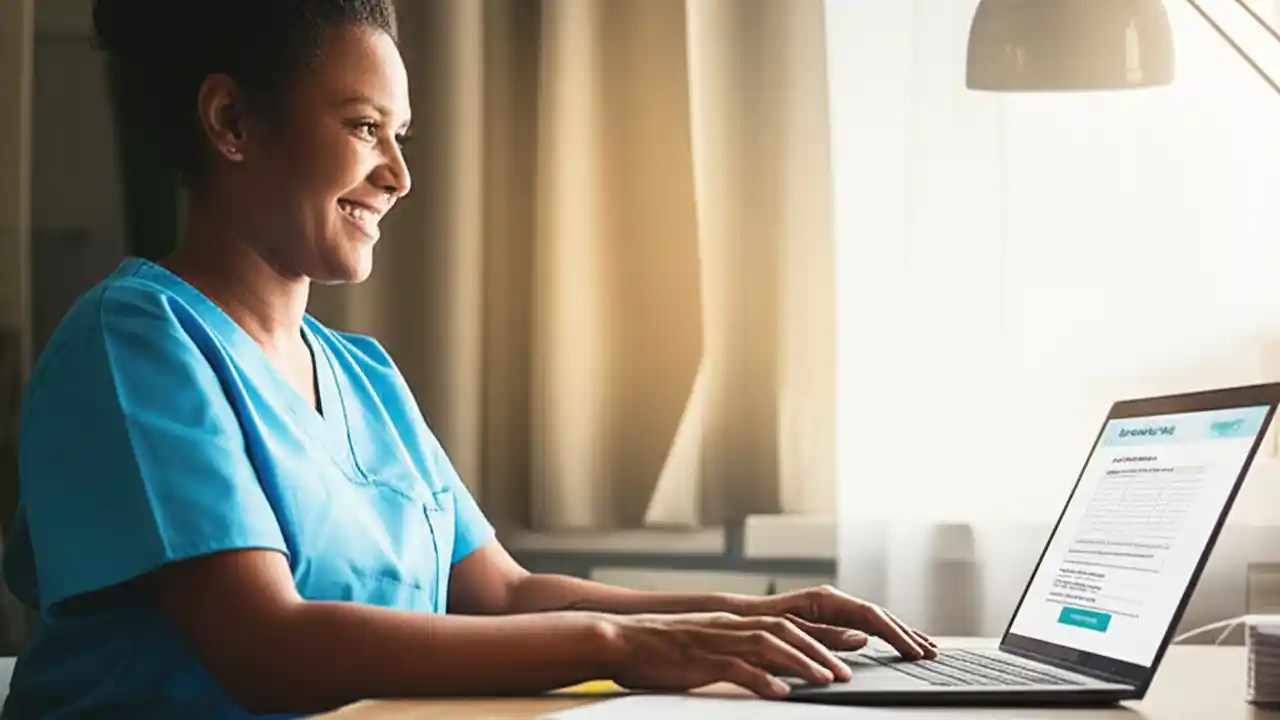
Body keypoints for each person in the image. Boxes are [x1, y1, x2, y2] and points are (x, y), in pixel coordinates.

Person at [1, 1, 935, 717]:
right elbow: (269, 647)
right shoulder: (135, 341)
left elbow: (502, 593)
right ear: (233, 122)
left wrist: (746, 618)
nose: (398, 175)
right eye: (365, 127)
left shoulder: (363, 375)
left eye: (400, 137)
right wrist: (619, 641)